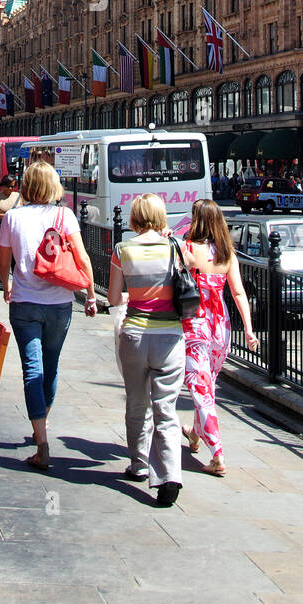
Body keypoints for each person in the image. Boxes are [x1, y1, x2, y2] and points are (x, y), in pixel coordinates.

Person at [0, 161, 96, 471]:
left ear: (26, 186)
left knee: (32, 368)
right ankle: (42, 424)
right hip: (60, 304)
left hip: (24, 302)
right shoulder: (63, 215)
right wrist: (91, 295)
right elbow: (81, 257)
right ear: (53, 185)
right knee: (49, 368)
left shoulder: (11, 217)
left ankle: (41, 442)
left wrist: (6, 285)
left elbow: (3, 261)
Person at [107, 194, 185, 507]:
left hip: (135, 334)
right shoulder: (174, 249)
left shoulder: (122, 250)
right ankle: (170, 475)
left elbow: (114, 298)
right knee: (166, 407)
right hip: (169, 337)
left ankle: (139, 463)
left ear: (134, 217)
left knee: (137, 402)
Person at [180, 200, 259, 476]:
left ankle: (217, 453)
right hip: (220, 327)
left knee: (200, 389)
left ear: (197, 220)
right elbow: (238, 293)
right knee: (207, 386)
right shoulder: (228, 254)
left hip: (195, 324)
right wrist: (248, 329)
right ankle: (194, 434)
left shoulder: (187, 249)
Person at [0, 173, 20, 261]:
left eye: (12, 186)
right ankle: (1, 274)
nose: (10, 189)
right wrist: (7, 216)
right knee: (1, 256)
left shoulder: (18, 196)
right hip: (0, 228)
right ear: (3, 186)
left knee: (15, 256)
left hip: (15, 229)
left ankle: (14, 274)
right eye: (8, 186)